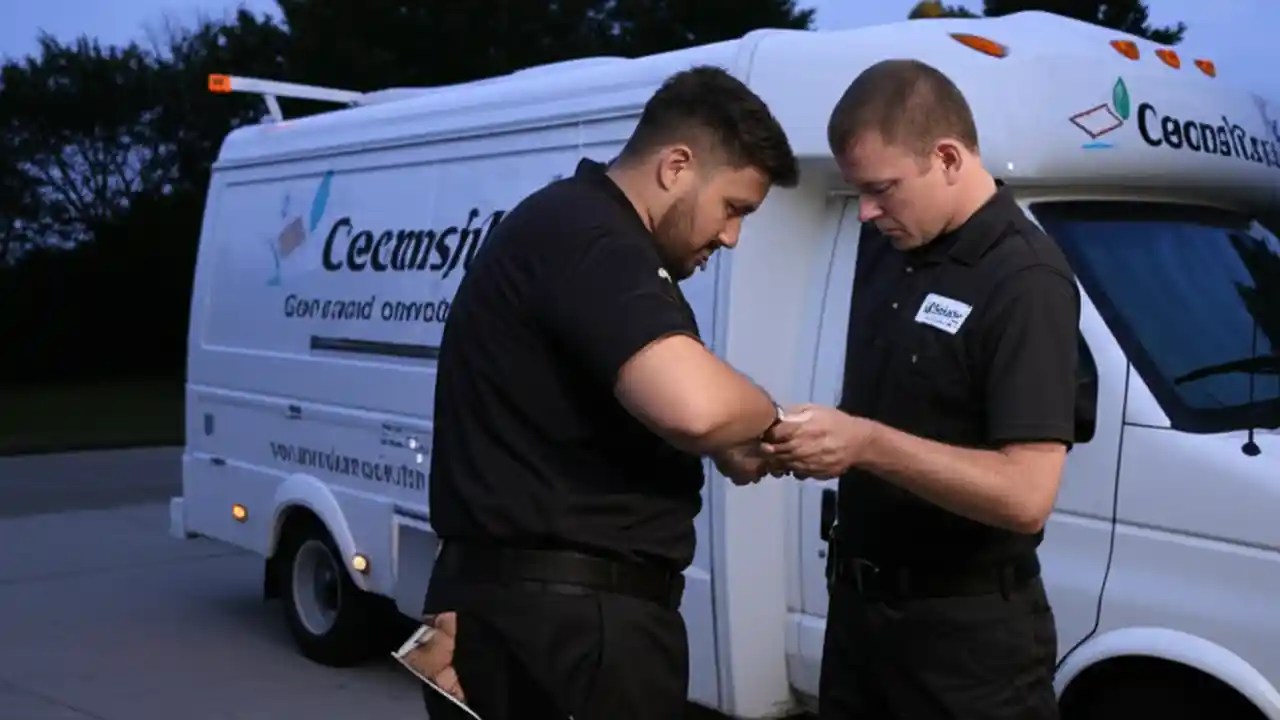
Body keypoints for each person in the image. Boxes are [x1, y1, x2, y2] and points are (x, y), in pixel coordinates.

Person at [407, 65, 800, 720]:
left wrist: (723, 445)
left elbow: (600, 411)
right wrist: (770, 417)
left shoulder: (564, 227)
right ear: (677, 166)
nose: (731, 237)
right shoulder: (594, 238)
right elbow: (693, 406)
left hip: (519, 615)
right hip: (571, 632)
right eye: (733, 208)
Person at [760, 58, 1091, 719]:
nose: (866, 212)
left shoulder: (1024, 280)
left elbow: (1027, 495)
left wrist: (866, 444)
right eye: (859, 190)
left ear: (946, 157)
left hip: (967, 649)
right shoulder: (892, 244)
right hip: (861, 620)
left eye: (882, 188)